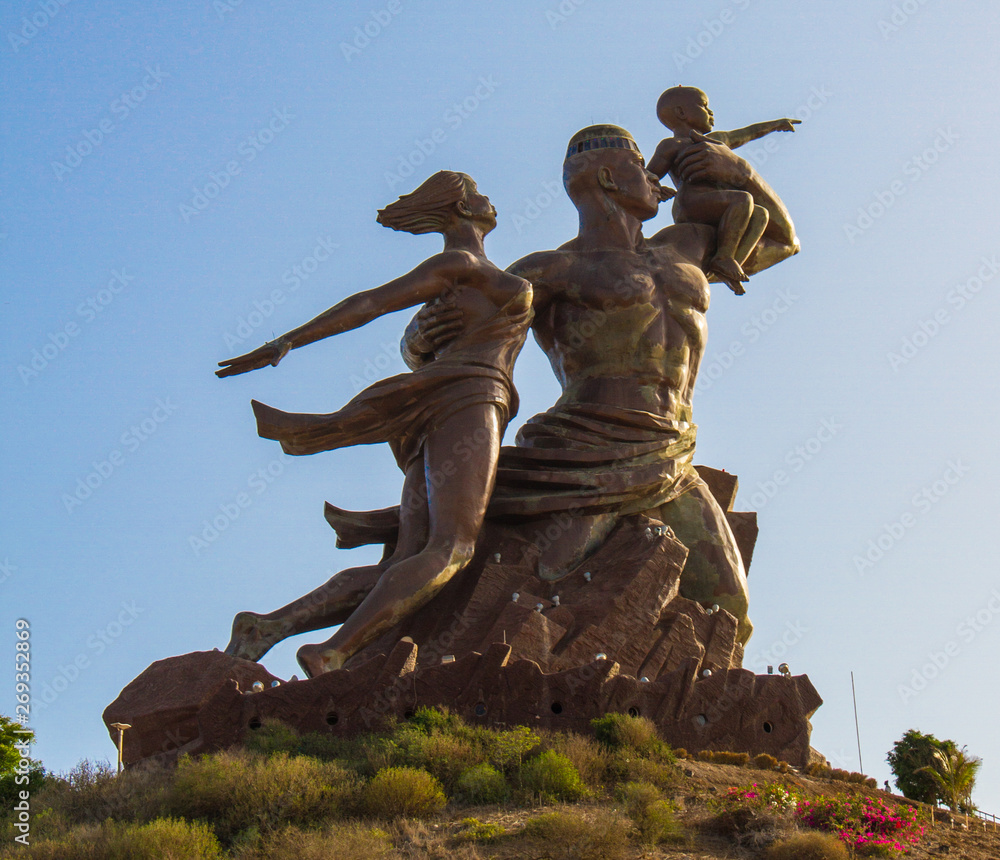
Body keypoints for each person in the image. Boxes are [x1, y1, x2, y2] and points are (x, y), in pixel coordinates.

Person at [217, 171, 533, 676]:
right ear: (460, 207)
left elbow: (406, 323)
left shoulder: (464, 275)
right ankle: (332, 653)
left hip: (437, 410)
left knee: (406, 557)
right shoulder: (461, 264)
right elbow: (370, 303)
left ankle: (268, 625)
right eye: (475, 192)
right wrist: (290, 341)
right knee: (454, 547)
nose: (488, 198)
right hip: (469, 400)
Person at [647, 86, 799, 294]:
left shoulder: (717, 140)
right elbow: (649, 174)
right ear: (681, 113)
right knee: (743, 200)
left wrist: (775, 125)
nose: (711, 112)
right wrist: (656, 188)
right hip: (692, 202)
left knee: (760, 214)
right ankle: (723, 257)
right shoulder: (671, 145)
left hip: (719, 201)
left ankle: (730, 263)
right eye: (704, 106)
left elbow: (746, 134)